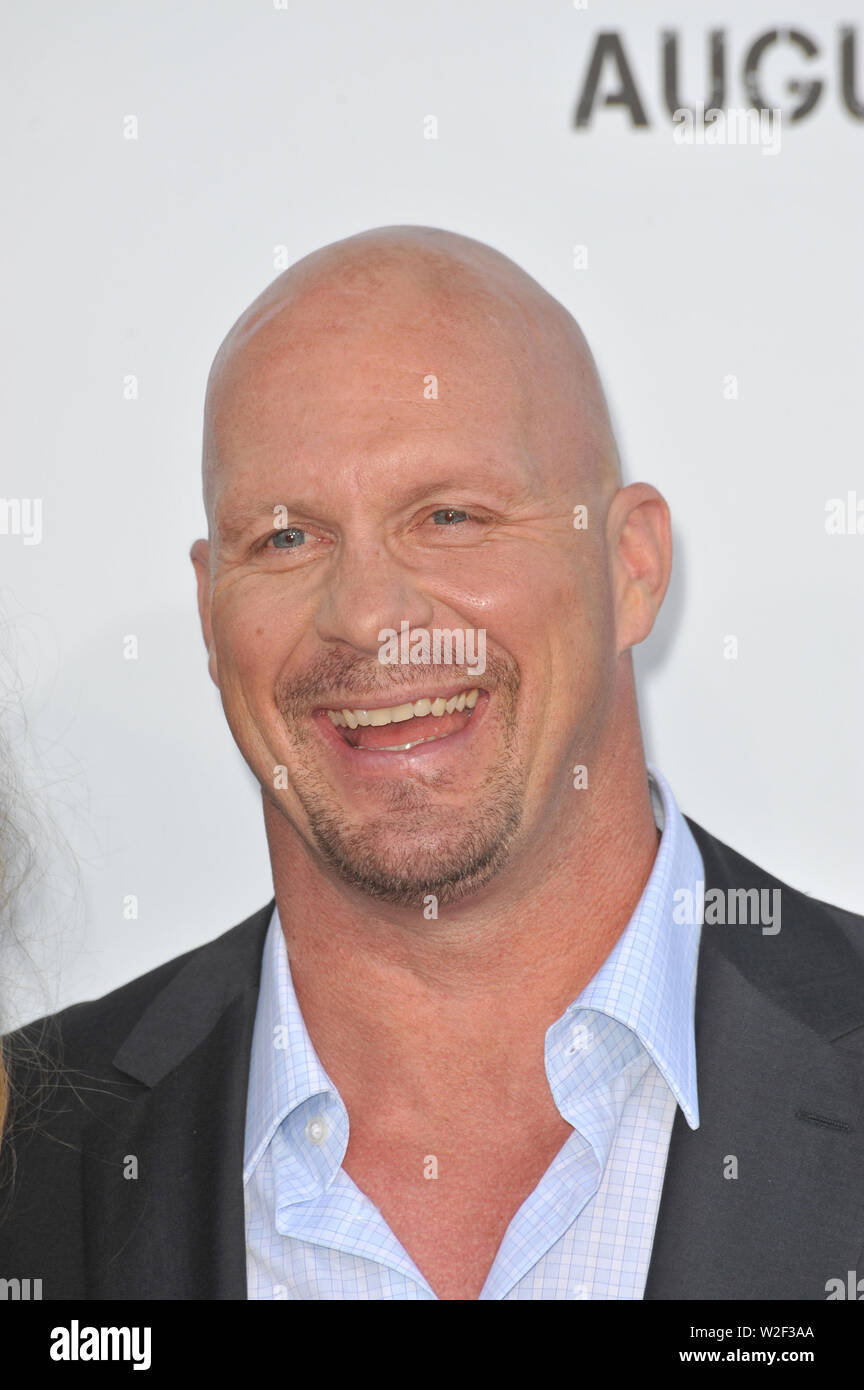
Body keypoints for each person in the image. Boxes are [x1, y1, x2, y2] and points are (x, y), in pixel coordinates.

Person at [1, 226, 862, 1301]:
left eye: (451, 515)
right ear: (210, 615)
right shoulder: (31, 1151)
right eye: (283, 539)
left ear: (631, 564)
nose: (368, 616)